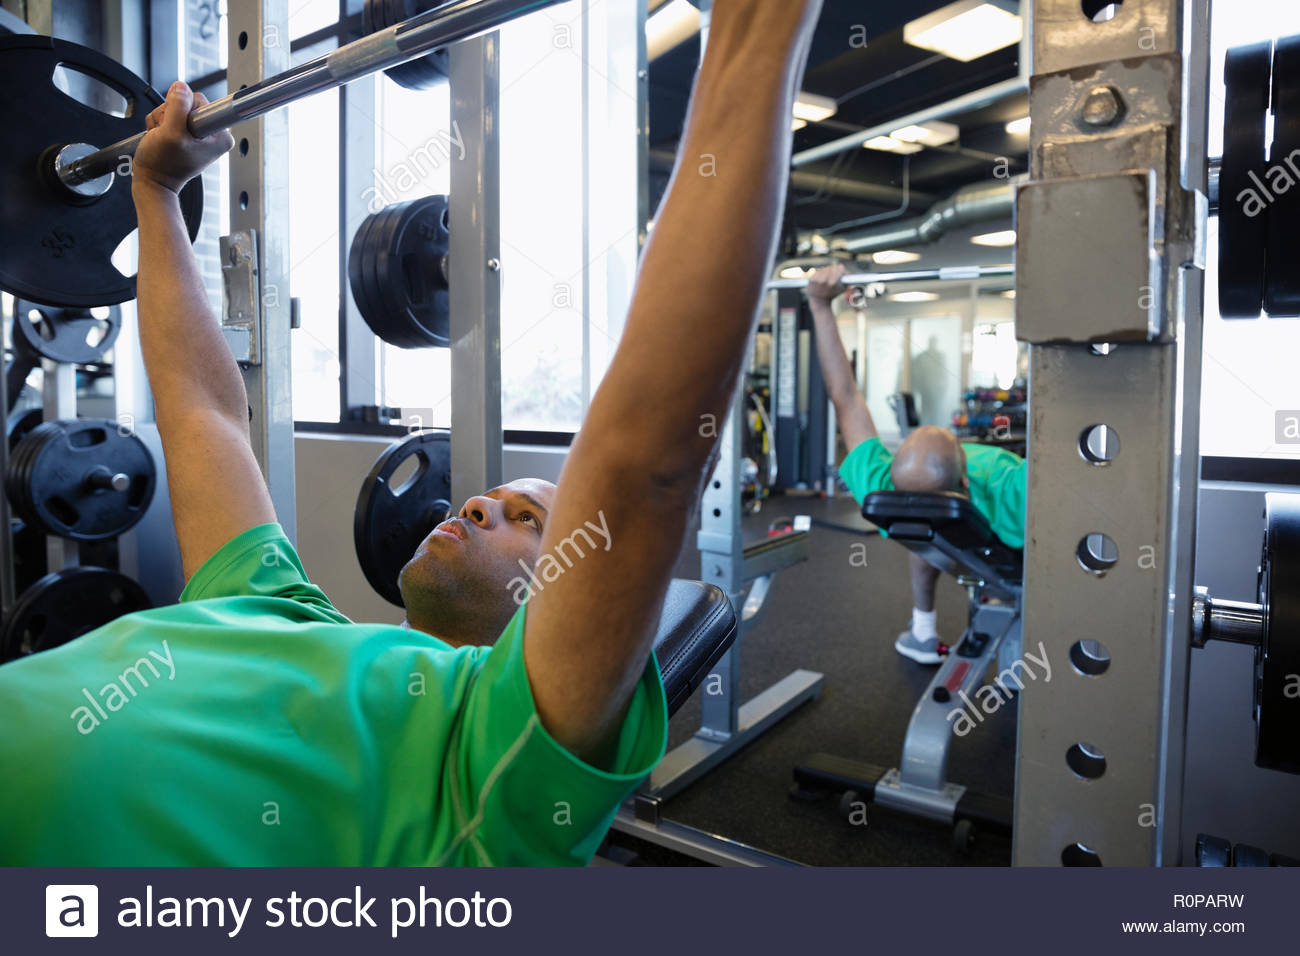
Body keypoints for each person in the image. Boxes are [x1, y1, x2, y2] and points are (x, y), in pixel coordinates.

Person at [0, 0, 823, 865]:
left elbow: (645, 467)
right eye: (494, 498)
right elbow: (205, 413)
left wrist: (758, 31)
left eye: (530, 521)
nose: (479, 506)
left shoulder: (490, 772)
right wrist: (155, 193)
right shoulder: (273, 607)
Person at [805, 263, 1025, 665]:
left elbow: (846, 398)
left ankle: (926, 629)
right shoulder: (1016, 491)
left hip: (1017, 552)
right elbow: (846, 396)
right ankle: (924, 628)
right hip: (977, 535)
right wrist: (819, 307)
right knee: (931, 528)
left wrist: (820, 306)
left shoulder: (882, 487)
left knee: (929, 534)